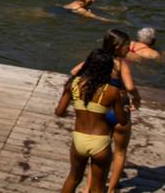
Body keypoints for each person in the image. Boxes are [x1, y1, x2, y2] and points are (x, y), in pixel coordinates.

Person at [70, 29, 140, 193]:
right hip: (118, 110)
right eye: (126, 46)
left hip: (101, 111)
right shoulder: (120, 64)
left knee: (98, 153)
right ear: (117, 47)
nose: (128, 49)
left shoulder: (97, 60)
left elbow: (74, 72)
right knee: (120, 152)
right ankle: (112, 189)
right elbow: (130, 86)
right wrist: (137, 99)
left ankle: (87, 188)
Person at [56, 49, 128, 193]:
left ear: (88, 64)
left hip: (79, 139)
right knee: (98, 187)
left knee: (73, 178)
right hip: (100, 141)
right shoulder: (112, 90)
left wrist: (77, 113)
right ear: (108, 69)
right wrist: (124, 106)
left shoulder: (74, 84)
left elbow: (59, 112)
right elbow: (122, 121)